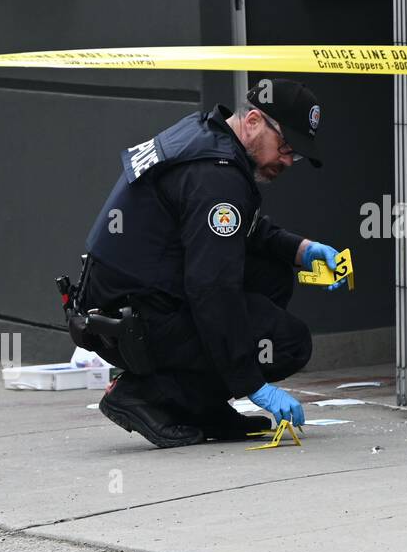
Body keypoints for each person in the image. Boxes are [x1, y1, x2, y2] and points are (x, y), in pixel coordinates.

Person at [80, 79, 346, 448]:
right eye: (286, 146)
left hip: (123, 297)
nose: (287, 160)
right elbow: (211, 288)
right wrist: (253, 385)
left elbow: (240, 229)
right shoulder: (216, 175)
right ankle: (144, 393)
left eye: (296, 154)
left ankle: (200, 404)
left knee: (273, 275)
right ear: (253, 122)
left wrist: (303, 250)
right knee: (289, 343)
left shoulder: (206, 134)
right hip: (132, 316)